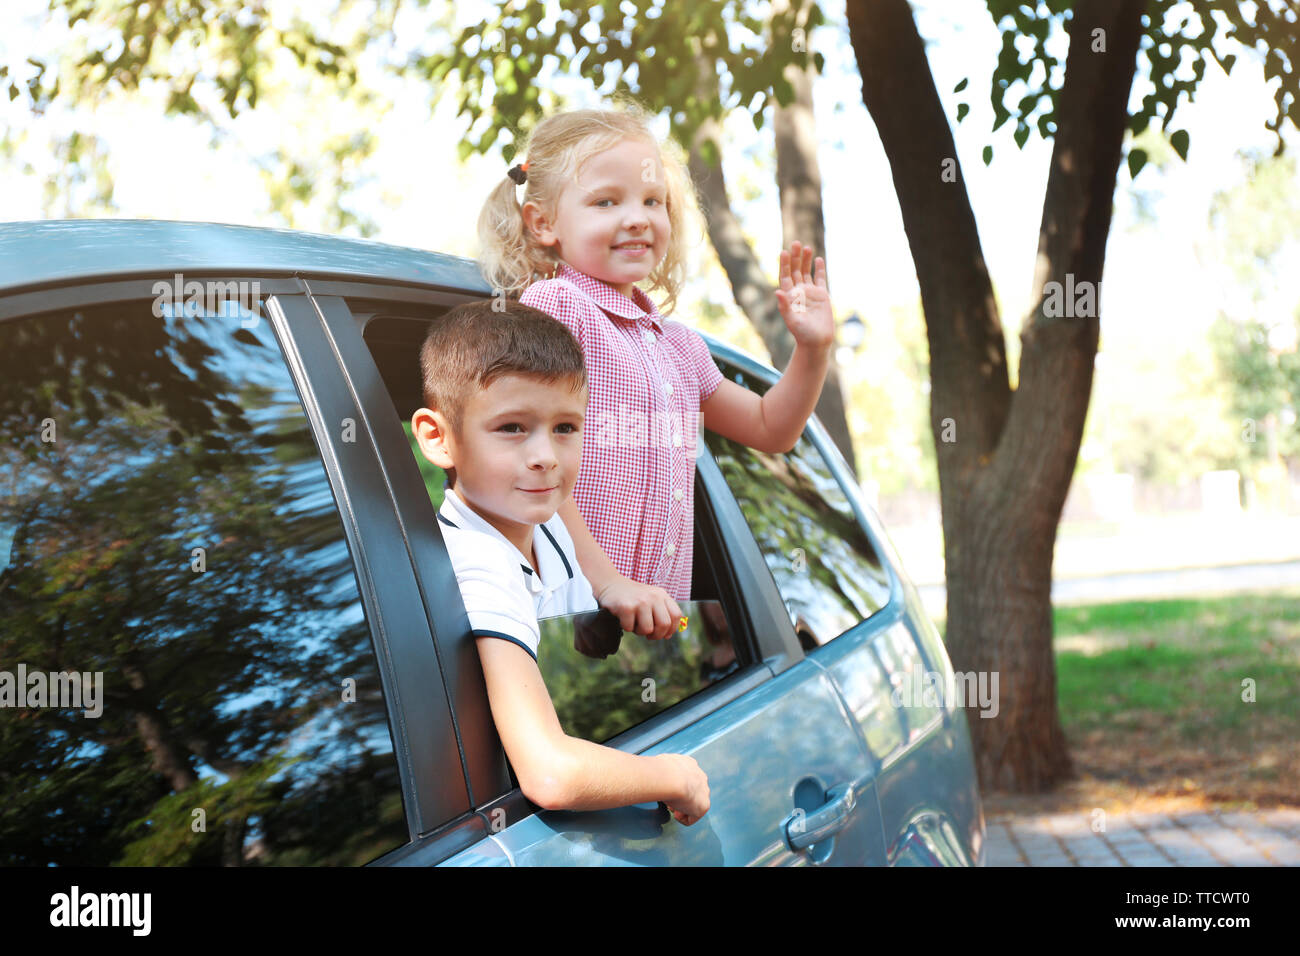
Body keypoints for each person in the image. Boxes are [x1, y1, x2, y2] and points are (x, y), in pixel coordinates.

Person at [477, 101, 835, 641]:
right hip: (567, 616)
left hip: (650, 635)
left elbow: (771, 428)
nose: (638, 217)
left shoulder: (680, 344)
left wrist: (811, 350)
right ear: (543, 222)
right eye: (605, 202)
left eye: (653, 200)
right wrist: (607, 582)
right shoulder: (559, 307)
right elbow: (532, 461)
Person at [410, 299, 710, 825]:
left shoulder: (542, 520)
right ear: (437, 438)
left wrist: (611, 589)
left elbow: (560, 505)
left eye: (566, 427)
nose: (546, 455)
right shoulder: (477, 567)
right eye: (512, 428)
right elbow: (550, 773)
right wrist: (674, 777)